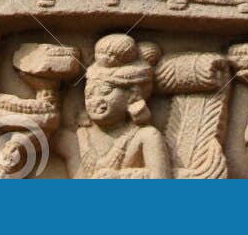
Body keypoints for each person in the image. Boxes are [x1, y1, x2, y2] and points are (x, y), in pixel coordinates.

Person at [62, 36, 170, 178]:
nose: (95, 100)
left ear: (132, 94)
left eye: (105, 92)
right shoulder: (77, 137)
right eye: (89, 94)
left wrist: (120, 177)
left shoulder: (146, 136)